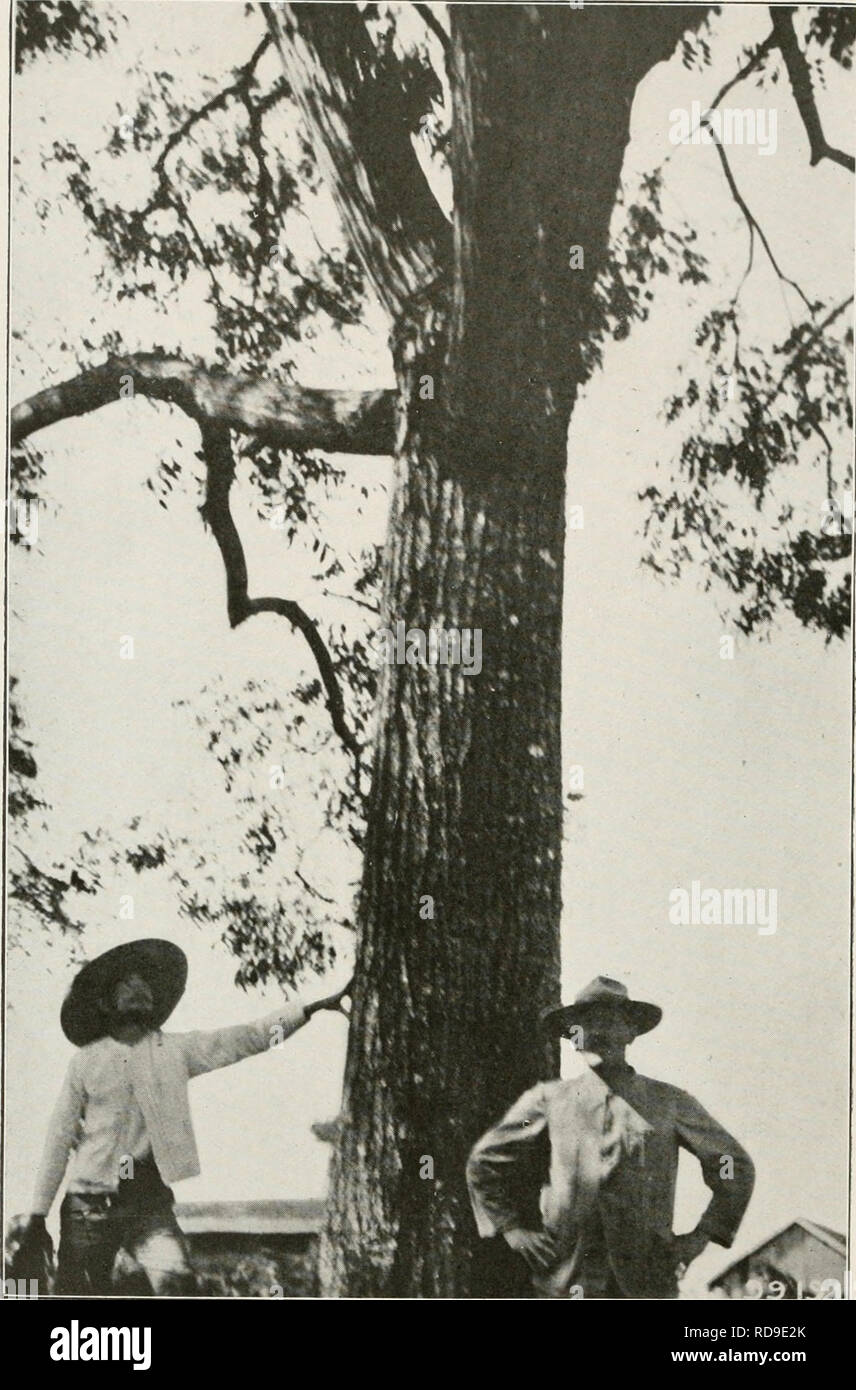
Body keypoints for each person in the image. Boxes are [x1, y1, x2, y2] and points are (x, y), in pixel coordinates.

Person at [13, 938, 350, 1295]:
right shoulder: (85, 1061)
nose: (139, 988)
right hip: (87, 1208)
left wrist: (309, 1009)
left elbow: (248, 1038)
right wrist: (38, 1214)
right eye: (126, 983)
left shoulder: (176, 1051)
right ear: (104, 1002)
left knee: (178, 1283)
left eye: (145, 983)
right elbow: (59, 1137)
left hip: (148, 1204)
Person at [466, 975, 754, 1298]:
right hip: (563, 1284)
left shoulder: (669, 1103)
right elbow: (484, 1162)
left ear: (631, 1033)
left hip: (645, 1285)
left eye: (610, 1021)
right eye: (585, 1023)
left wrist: (701, 1236)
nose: (597, 1032)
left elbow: (732, 1164)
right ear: (572, 1037)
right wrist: (512, 1229)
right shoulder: (548, 1101)